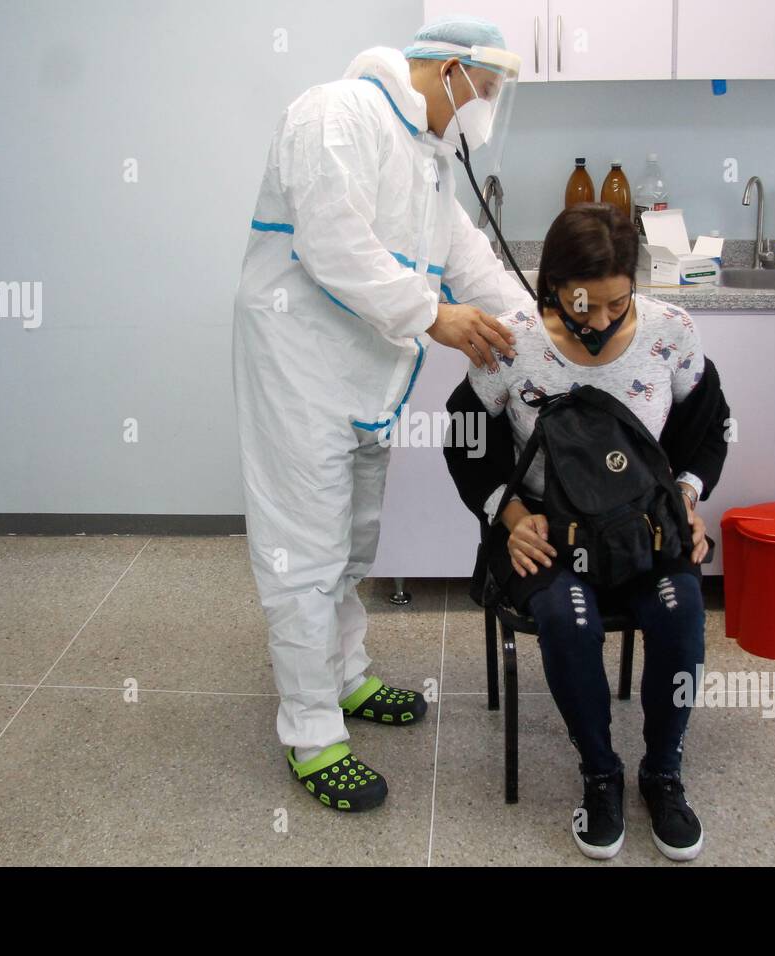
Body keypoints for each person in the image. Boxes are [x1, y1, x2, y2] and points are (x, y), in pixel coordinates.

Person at [231, 16, 535, 813]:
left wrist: (536, 337)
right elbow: (332, 246)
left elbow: (470, 259)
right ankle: (311, 731)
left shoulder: (430, 159)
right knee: (304, 550)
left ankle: (344, 677)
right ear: (450, 70)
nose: (486, 110)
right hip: (301, 373)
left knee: (354, 537)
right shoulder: (337, 113)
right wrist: (436, 317)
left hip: (368, 380)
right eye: (488, 91)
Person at [444, 204, 731, 860]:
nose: (600, 321)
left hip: (642, 521)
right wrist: (510, 520)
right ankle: (600, 772)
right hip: (548, 524)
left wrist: (687, 499)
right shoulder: (511, 340)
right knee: (567, 621)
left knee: (681, 610)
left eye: (615, 304)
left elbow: (708, 429)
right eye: (583, 305)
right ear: (551, 287)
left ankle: (662, 772)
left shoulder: (671, 333)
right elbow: (464, 441)